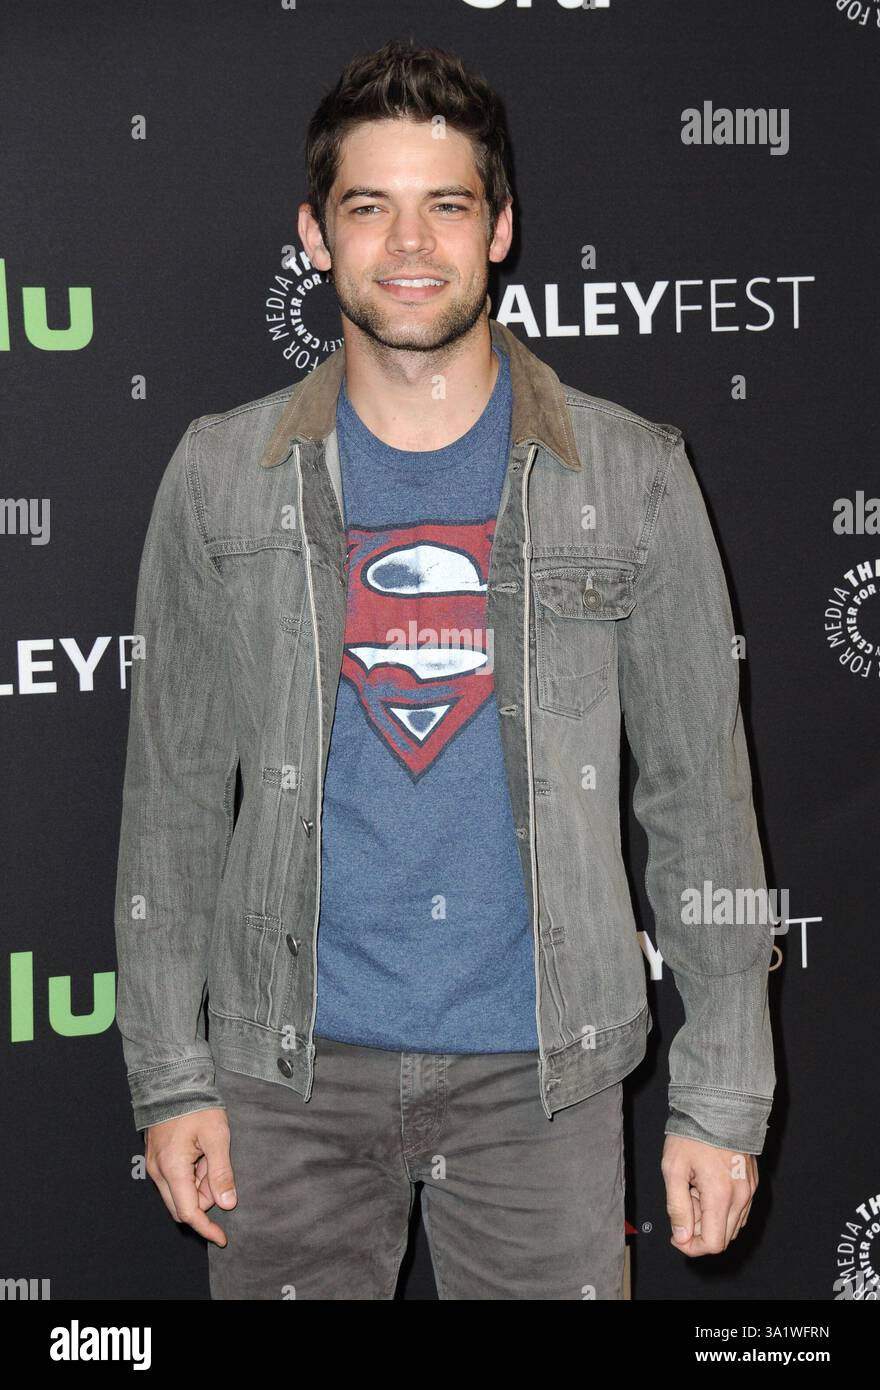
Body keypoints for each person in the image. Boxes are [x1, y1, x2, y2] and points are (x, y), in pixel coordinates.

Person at [114, 38, 776, 1300]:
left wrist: (724, 1094)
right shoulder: (219, 476)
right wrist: (172, 1072)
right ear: (315, 235)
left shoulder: (630, 477)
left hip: (542, 1078)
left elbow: (703, 806)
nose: (409, 245)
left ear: (501, 229)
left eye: (446, 206)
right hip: (284, 1078)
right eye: (370, 207)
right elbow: (175, 802)